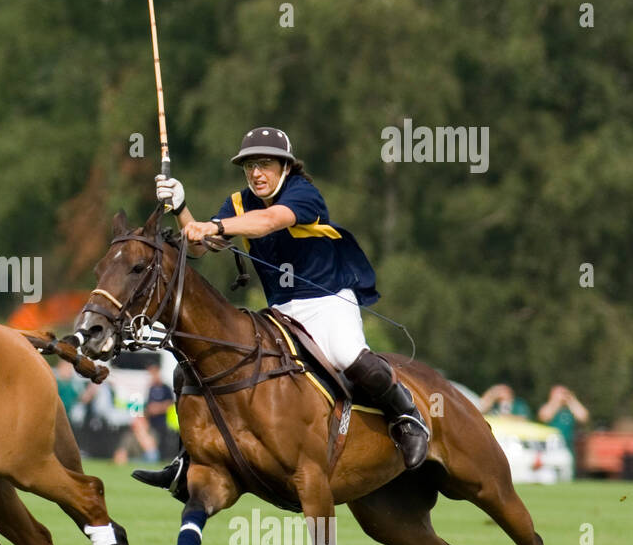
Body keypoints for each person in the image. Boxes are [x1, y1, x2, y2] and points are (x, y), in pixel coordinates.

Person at [134, 126, 429, 492]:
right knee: (194, 365)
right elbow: (201, 246)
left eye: (265, 164)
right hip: (279, 311)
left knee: (350, 356)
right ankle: (188, 457)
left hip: (328, 302)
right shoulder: (239, 202)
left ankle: (408, 417)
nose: (256, 173)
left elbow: (269, 222)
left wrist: (213, 225)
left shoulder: (303, 194)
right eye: (249, 166)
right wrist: (181, 209)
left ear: (286, 166)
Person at [538, 385, 589, 463]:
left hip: (568, 446)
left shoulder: (570, 409)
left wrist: (572, 400)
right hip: (550, 446)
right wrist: (555, 402)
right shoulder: (547, 406)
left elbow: (584, 417)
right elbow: (544, 417)